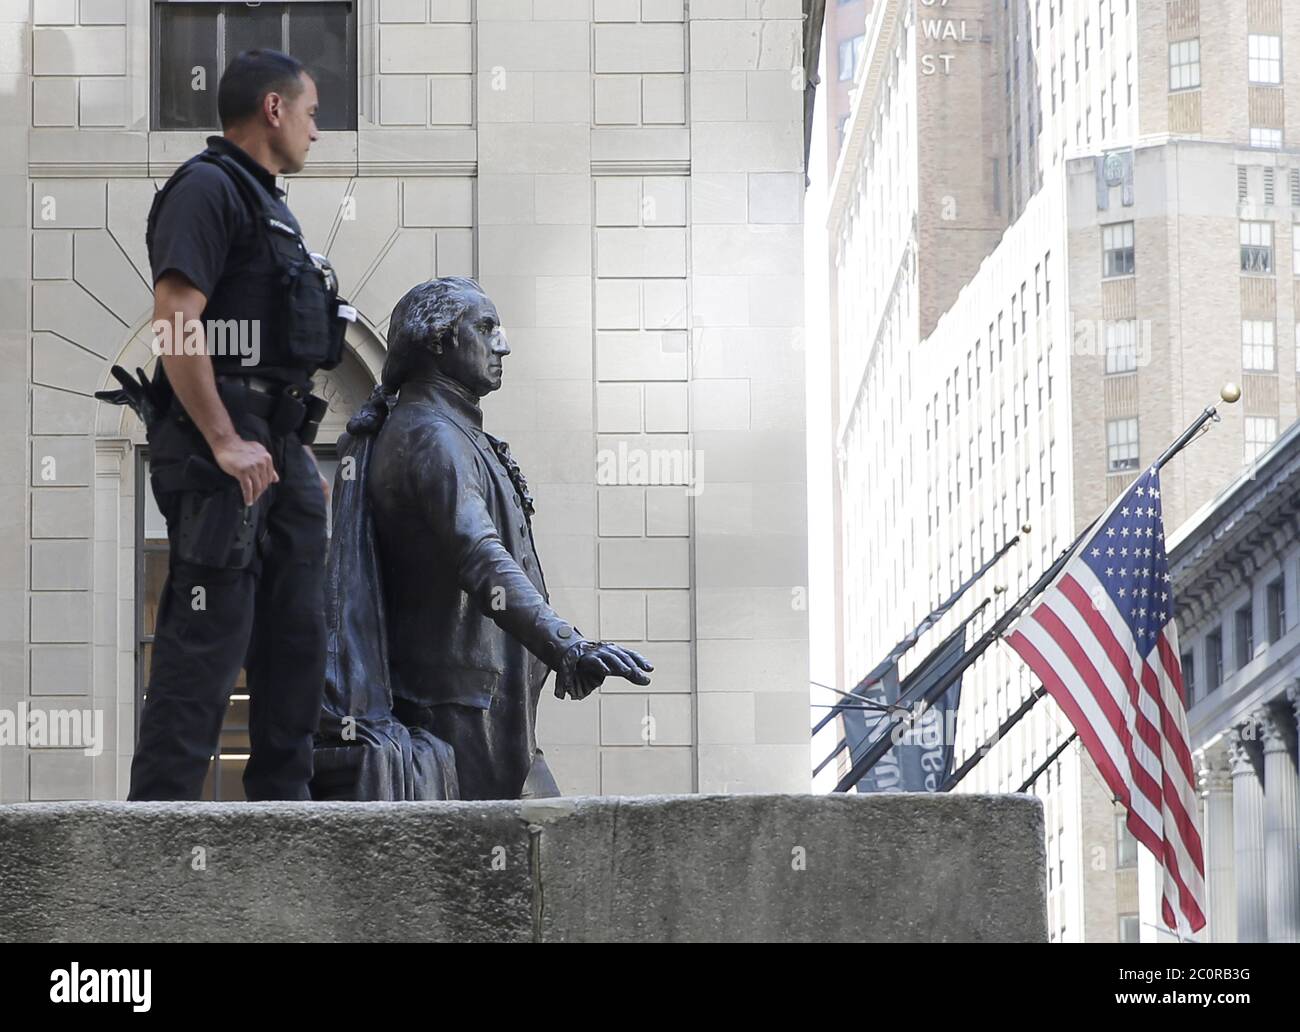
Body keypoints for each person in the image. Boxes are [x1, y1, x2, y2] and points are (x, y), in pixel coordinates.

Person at [334, 277, 654, 800]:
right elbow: (479, 556)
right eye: (485, 328)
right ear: (438, 341)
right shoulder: (431, 435)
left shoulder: (445, 429)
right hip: (462, 714)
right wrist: (568, 647)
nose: (501, 344)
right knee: (510, 865)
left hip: (483, 710)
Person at [125, 49, 344, 801]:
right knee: (203, 647)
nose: (318, 131)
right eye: (312, 113)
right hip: (222, 457)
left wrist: (288, 450)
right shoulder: (207, 188)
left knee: (297, 643)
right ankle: (157, 844)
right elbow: (177, 322)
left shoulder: (272, 208)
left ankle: (287, 825)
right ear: (274, 111)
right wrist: (223, 437)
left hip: (277, 450)